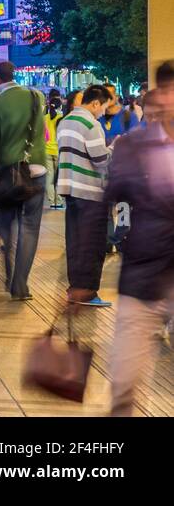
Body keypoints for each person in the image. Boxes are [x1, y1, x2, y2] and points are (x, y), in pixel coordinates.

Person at [106, 61, 174, 416]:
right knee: (124, 384)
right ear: (160, 96)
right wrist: (83, 278)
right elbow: (105, 203)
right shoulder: (132, 147)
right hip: (143, 274)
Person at [0, 61, 48, 300]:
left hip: (9, 174)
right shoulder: (36, 96)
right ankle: (20, 285)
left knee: (7, 226)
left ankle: (9, 273)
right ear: (15, 74)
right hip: (37, 169)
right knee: (30, 228)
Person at [56, 85, 113, 307]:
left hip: (70, 188)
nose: (103, 112)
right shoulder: (91, 124)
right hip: (90, 191)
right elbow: (101, 160)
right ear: (96, 103)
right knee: (93, 244)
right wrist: (114, 150)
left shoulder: (66, 121)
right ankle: (88, 293)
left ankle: (75, 289)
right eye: (104, 107)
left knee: (75, 242)